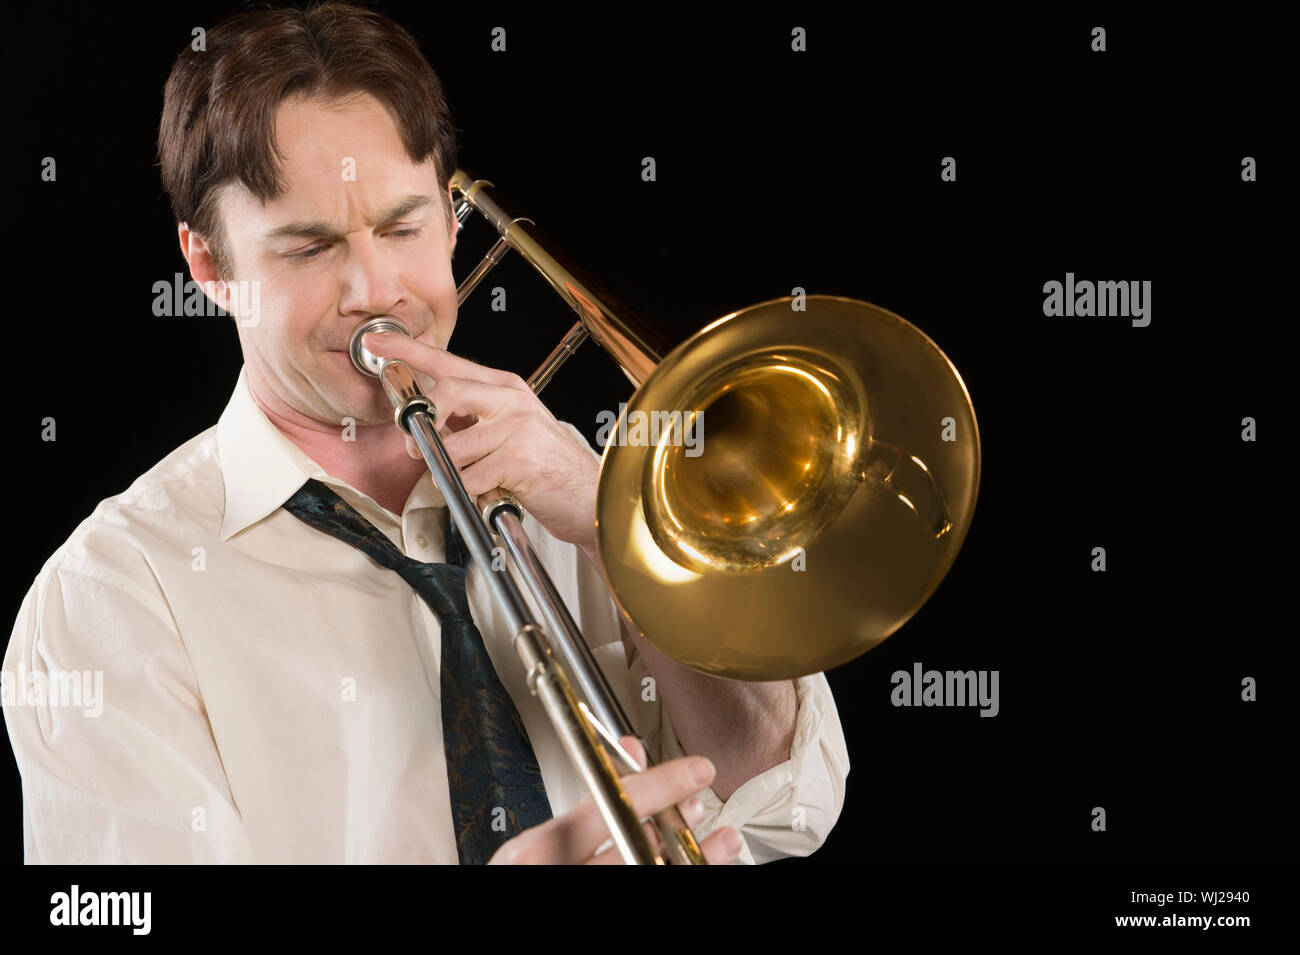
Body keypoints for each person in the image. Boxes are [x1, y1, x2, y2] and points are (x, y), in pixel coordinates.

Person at [1, 1, 848, 864]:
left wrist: (615, 531)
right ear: (211, 268)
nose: (375, 287)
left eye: (404, 227)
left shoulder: (578, 489)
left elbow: (777, 798)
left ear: (452, 220)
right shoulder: (114, 595)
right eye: (308, 248)